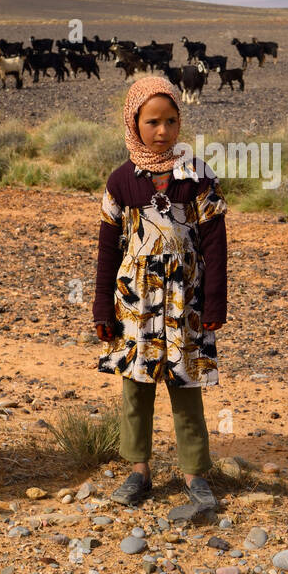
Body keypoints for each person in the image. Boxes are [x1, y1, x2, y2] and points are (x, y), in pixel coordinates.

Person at [92, 76, 228, 520]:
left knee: (186, 383)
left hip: (184, 301)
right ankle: (138, 471)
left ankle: (194, 474)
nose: (163, 131)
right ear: (134, 122)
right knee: (136, 385)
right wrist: (101, 307)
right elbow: (108, 249)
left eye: (171, 121)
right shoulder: (120, 181)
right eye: (152, 121)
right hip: (135, 303)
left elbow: (215, 244)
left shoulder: (198, 176)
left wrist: (214, 302)